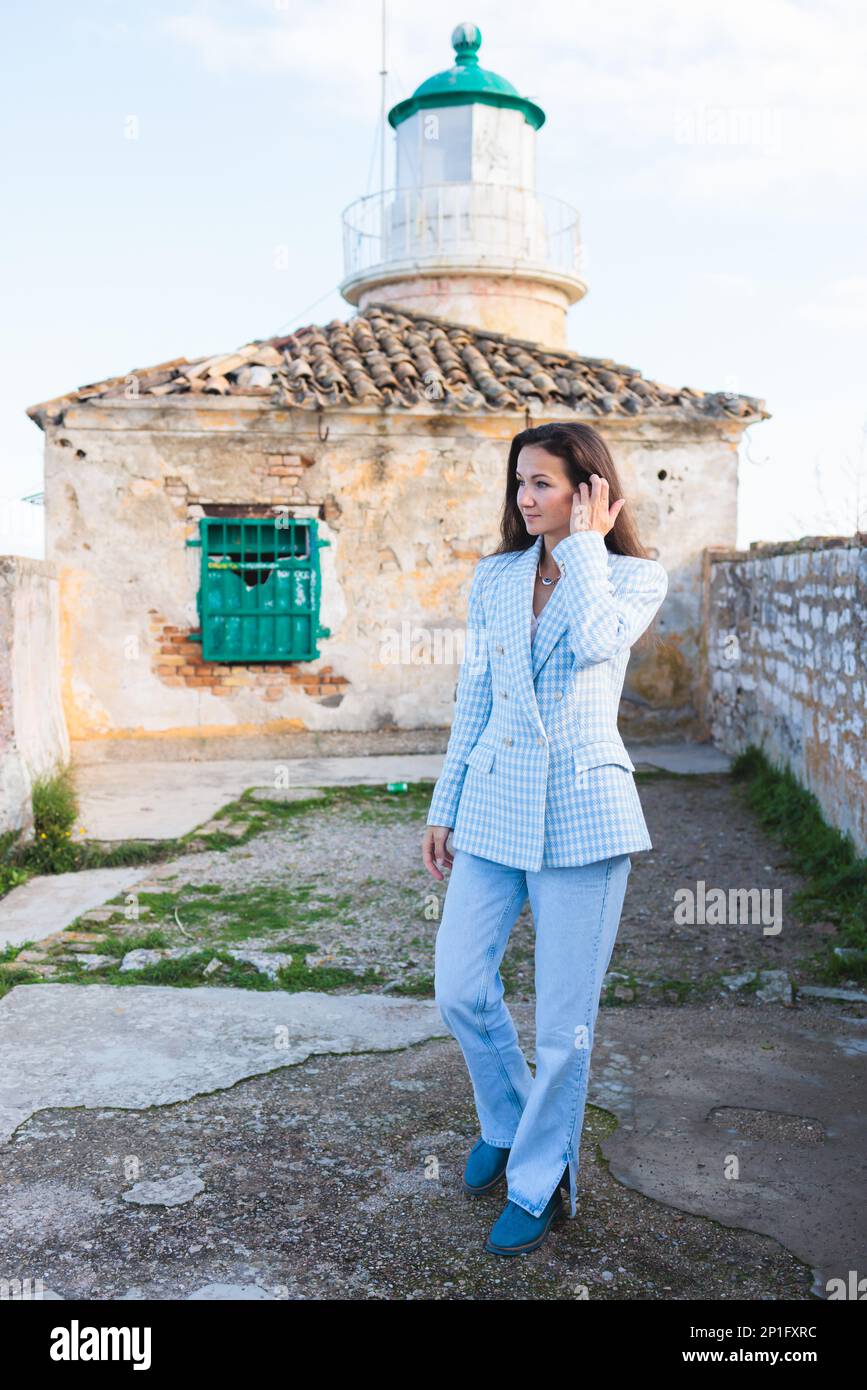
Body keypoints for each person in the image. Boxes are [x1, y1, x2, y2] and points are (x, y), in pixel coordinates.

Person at [421, 421, 669, 1257]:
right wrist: (442, 805)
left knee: (564, 1024)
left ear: (588, 491)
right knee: (457, 986)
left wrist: (589, 550)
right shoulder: (495, 577)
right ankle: (507, 1115)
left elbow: (600, 643)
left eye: (543, 484)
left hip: (582, 814)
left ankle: (539, 1179)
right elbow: (474, 698)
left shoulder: (634, 577)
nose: (525, 499)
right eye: (519, 483)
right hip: (492, 805)